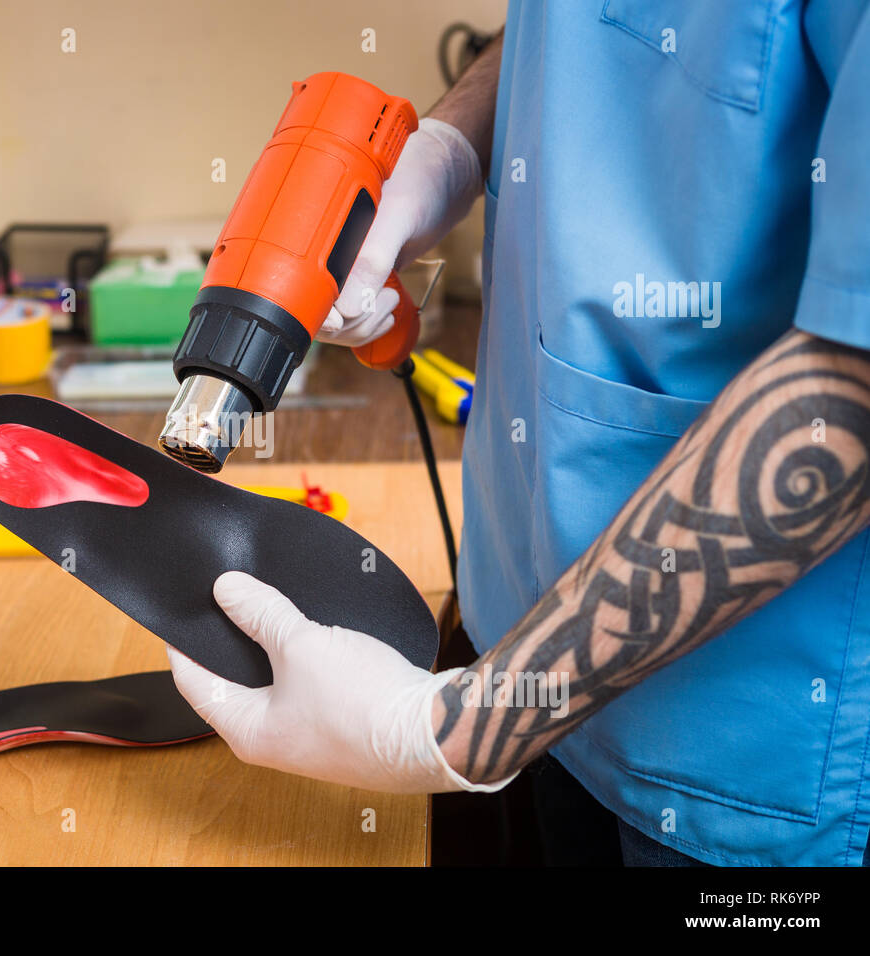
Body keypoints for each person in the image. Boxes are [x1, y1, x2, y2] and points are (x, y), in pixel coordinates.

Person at [167, 1, 870, 866]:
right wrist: (447, 148)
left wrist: (451, 731)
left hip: (738, 766)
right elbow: (577, 37)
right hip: (526, 651)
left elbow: (851, 399)